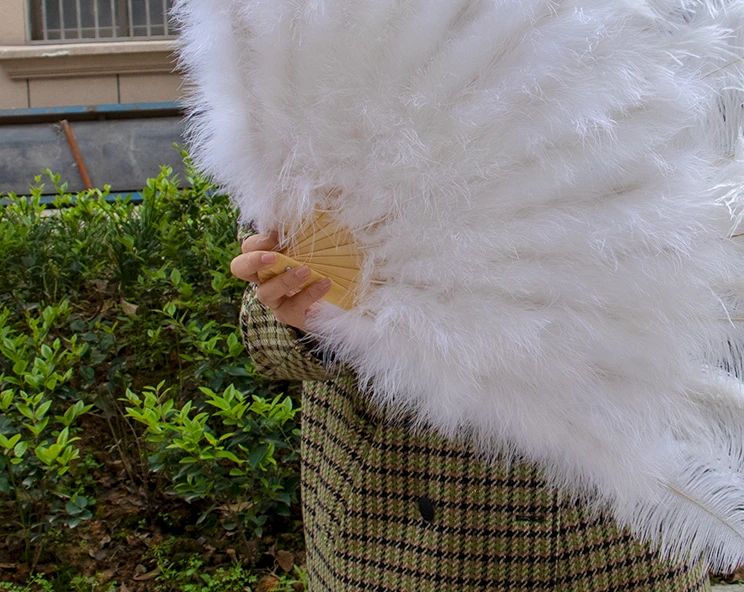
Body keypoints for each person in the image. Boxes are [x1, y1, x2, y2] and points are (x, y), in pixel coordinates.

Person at [232, 231, 712, 592]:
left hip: (621, 516)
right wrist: (305, 321)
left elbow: (741, 261)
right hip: (393, 529)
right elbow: (264, 322)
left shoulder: (667, 100)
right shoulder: (312, 105)